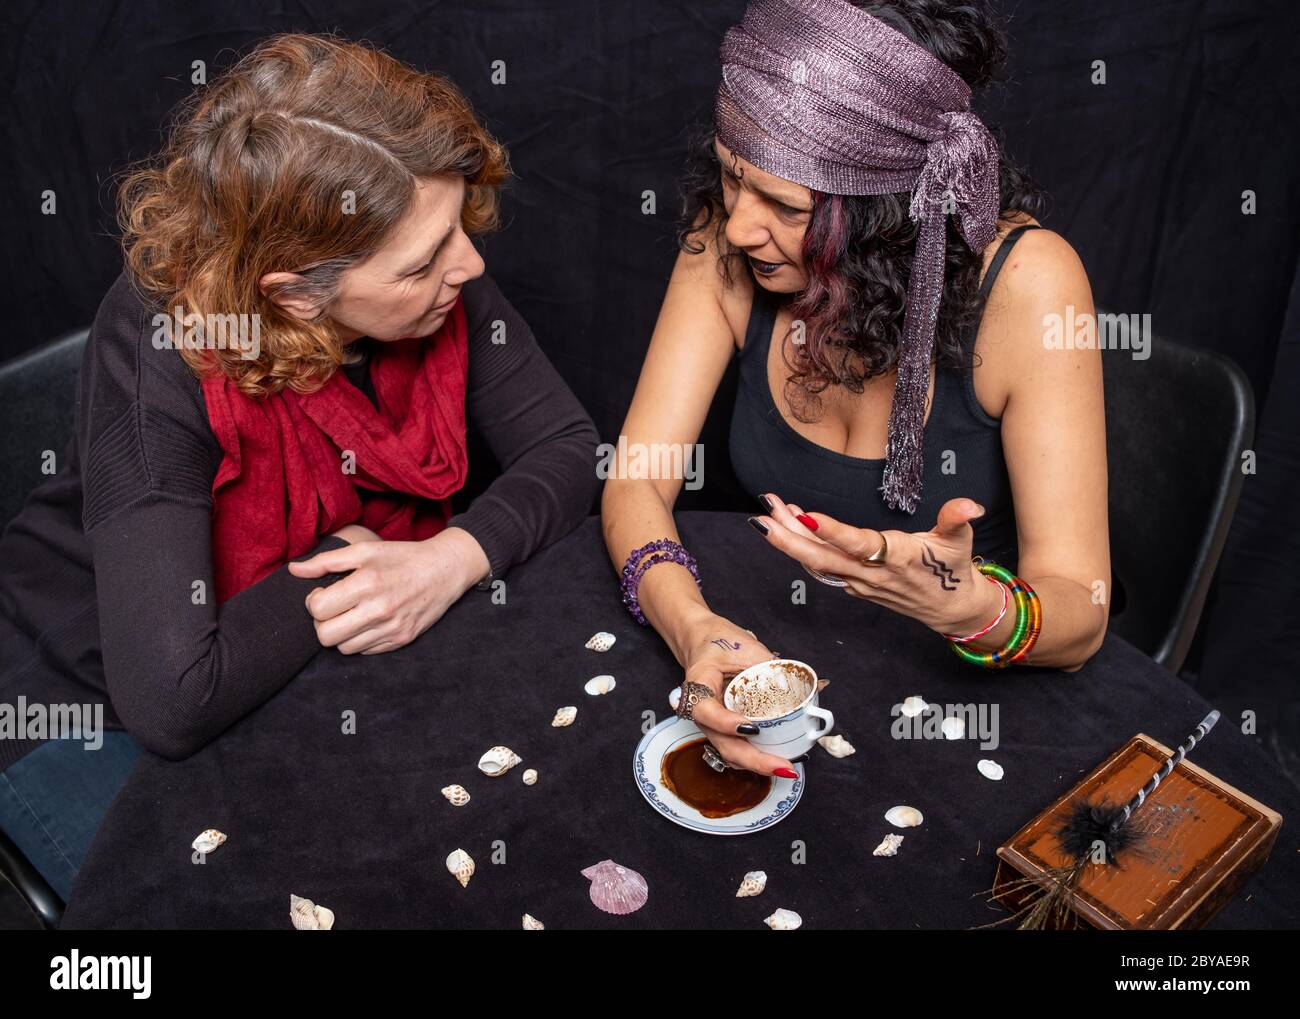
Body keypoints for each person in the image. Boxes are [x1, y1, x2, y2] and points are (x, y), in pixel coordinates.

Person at [0, 33, 600, 905]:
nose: (467, 266)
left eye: (456, 233)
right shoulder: (157, 348)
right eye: (426, 262)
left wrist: (451, 557)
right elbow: (171, 697)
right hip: (82, 687)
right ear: (294, 294)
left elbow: (570, 448)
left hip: (292, 647)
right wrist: (344, 554)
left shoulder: (426, 247)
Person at [601, 0, 1109, 777]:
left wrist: (975, 609)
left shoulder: (1031, 287)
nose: (739, 226)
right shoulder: (730, 239)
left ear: (887, 211)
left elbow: (1083, 611)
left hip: (976, 713)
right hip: (796, 657)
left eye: (785, 205)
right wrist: (694, 625)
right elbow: (635, 478)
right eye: (734, 177)